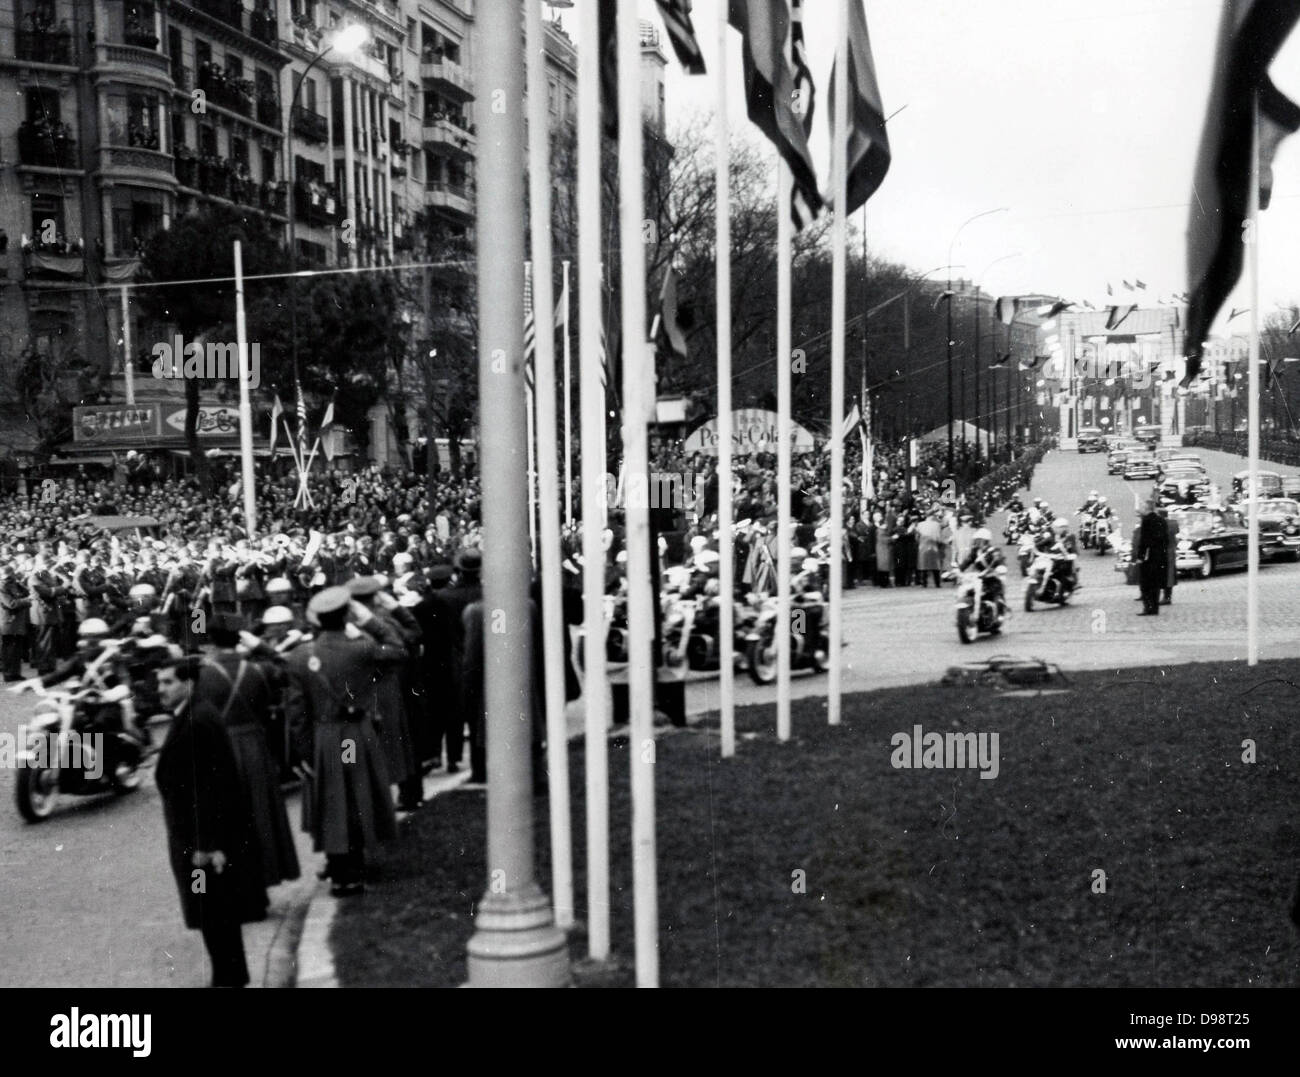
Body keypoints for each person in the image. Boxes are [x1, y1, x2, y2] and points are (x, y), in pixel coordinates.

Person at [282, 586, 408, 895]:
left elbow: (296, 712)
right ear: (346, 615)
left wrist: (304, 751)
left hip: (326, 737)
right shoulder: (362, 648)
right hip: (354, 735)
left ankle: (340, 863)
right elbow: (398, 648)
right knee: (356, 794)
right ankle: (353, 862)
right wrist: (370, 621)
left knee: (334, 799)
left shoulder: (301, 656)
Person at [154, 656, 268, 988]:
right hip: (195, 841)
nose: (160, 689)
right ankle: (228, 975)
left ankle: (229, 979)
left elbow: (212, 789)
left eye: (167, 682)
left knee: (213, 910)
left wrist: (206, 845)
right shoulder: (192, 714)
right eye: (159, 682)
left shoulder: (197, 721)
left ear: (187, 684)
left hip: (200, 848)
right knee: (211, 912)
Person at [195, 613, 300, 889]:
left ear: (212, 640)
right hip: (254, 744)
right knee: (260, 813)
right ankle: (266, 876)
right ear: (241, 637)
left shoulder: (202, 674)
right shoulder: (258, 669)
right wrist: (260, 647)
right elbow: (287, 667)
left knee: (226, 816)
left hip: (218, 748)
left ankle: (239, 883)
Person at [1134, 498, 1169, 616]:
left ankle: (1148, 607)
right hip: (1160, 556)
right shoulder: (1161, 520)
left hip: (1149, 557)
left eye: (1142, 507)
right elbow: (1166, 540)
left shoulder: (1146, 521)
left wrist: (1140, 556)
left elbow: (1144, 541)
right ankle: (1154, 607)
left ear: (1146, 508)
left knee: (1146, 584)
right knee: (1156, 584)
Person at [1159, 506, 1179, 606]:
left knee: (1164, 575)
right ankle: (1168, 596)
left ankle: (1166, 597)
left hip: (1163, 552)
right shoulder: (1173, 523)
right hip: (1172, 550)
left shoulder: (1160, 524)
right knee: (1169, 575)